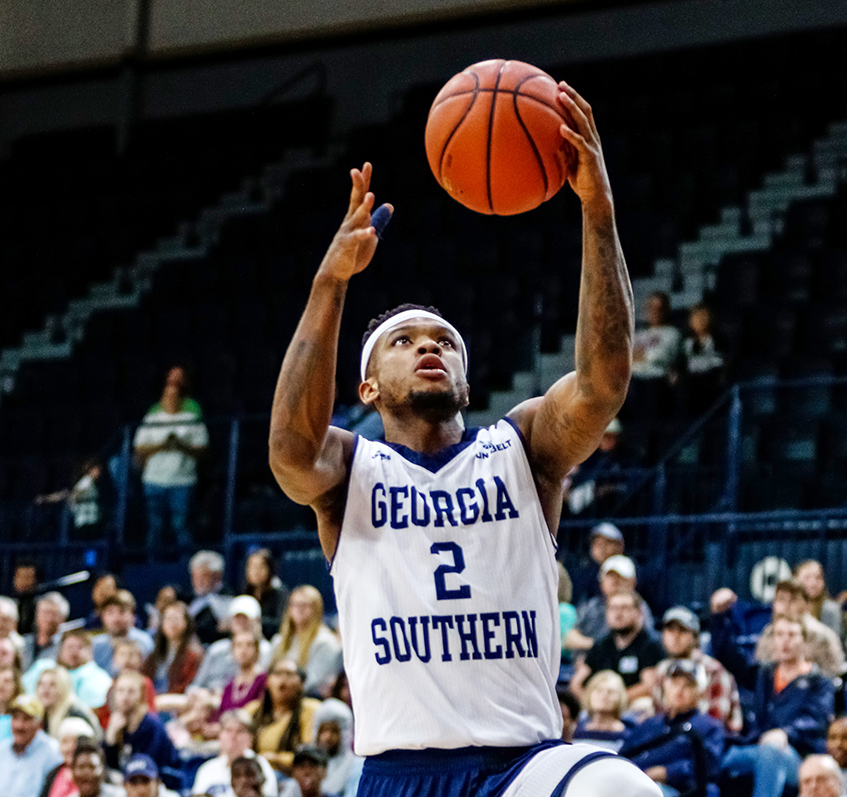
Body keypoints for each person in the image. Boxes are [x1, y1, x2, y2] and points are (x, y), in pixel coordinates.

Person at [268, 84, 658, 796]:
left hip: (522, 765)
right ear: (368, 387)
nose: (430, 347)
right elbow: (289, 451)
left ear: (467, 384)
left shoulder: (524, 448)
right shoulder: (350, 470)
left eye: (445, 341)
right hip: (400, 772)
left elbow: (602, 383)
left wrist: (597, 210)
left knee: (619, 788)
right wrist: (330, 282)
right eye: (404, 341)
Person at [720, 615, 834, 797]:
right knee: (718, 758)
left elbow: (816, 720)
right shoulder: (764, 674)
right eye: (779, 635)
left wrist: (785, 733)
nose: (785, 641)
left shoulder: (819, 682)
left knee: (771, 753)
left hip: (798, 755)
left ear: (804, 641)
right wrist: (720, 617)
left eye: (792, 635)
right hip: (757, 747)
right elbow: (729, 658)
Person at [619, 660, 724, 797]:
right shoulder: (649, 724)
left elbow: (708, 768)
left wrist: (667, 772)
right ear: (665, 687)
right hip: (634, 783)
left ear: (700, 692)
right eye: (674, 684)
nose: (679, 691)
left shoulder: (710, 727)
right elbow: (623, 755)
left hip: (677, 790)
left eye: (688, 685)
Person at [133, 366, 209, 550]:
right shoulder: (153, 417)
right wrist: (162, 446)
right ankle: (152, 564)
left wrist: (180, 445)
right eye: (168, 394)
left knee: (181, 525)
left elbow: (202, 447)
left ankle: (186, 564)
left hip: (182, 481)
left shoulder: (191, 414)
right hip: (154, 480)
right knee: (155, 527)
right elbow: (139, 446)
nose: (171, 397)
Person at [646, 607, 741, 733]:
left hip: (710, 740)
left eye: (682, 631)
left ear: (696, 637)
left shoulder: (713, 670)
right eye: (670, 630)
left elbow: (715, 721)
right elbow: (659, 715)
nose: (675, 637)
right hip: (671, 738)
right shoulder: (662, 669)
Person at [571, 592, 665, 700]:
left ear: (638, 612)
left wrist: (614, 701)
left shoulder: (650, 645)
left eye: (624, 608)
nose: (618, 614)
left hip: (631, 706)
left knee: (643, 704)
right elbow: (576, 683)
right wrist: (591, 701)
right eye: (613, 608)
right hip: (601, 702)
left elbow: (649, 687)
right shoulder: (600, 645)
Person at [749, 580, 845, 677]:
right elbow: (761, 670)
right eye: (781, 599)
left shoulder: (822, 636)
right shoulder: (768, 633)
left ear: (807, 604)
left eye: (793, 599)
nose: (787, 605)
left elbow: (832, 674)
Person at [0, 696, 61, 797]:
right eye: (15, 718)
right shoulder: (1, 750)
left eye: (26, 719)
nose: (19, 725)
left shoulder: (52, 752)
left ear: (39, 724)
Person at [245, 659, 318, 775]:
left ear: (301, 683)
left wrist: (276, 759)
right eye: (278, 674)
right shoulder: (252, 710)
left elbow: (309, 754)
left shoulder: (310, 710)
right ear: (267, 681)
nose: (282, 680)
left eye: (289, 674)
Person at [570, 555, 655, 652]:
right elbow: (570, 638)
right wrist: (597, 647)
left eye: (620, 577)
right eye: (610, 577)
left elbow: (648, 642)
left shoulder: (639, 607)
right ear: (601, 583)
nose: (615, 582)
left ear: (632, 582)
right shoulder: (592, 606)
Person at [268, 587, 341, 699]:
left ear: (316, 609)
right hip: (278, 698)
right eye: (295, 605)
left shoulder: (325, 643)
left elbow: (313, 683)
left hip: (309, 699)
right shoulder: (279, 641)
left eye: (305, 605)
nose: (299, 609)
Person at [191, 598, 272, 694]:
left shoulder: (265, 649)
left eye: (245, 618)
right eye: (237, 618)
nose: (241, 622)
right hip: (208, 700)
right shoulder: (216, 649)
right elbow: (195, 686)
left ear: (256, 621)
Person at [191, 709, 279, 797]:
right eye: (228, 730)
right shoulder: (208, 769)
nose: (233, 736)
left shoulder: (260, 765)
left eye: (240, 731)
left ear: (250, 738)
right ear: (220, 735)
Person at [102, 671, 175, 775]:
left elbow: (150, 766)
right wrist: (110, 738)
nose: (125, 696)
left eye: (131, 691)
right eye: (120, 691)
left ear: (141, 694)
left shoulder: (151, 726)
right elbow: (110, 767)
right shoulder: (116, 724)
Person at [24, 630, 113, 710]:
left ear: (90, 652)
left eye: (80, 647)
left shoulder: (99, 677)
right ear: (60, 650)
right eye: (70, 647)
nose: (74, 652)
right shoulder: (43, 667)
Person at [35, 459, 103, 540]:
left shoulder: (92, 483)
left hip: (91, 522)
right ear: (91, 470)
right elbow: (73, 494)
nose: (99, 472)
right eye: (98, 469)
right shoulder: (86, 481)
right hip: (86, 523)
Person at [144, 602, 201, 696]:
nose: (172, 624)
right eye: (168, 619)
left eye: (176, 619)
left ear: (186, 623)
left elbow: (189, 684)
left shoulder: (193, 654)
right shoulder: (153, 654)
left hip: (176, 702)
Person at [92, 592, 154, 673]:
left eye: (122, 611)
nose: (116, 618)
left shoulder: (144, 641)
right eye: (110, 612)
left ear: (132, 614)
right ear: (103, 617)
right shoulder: (96, 645)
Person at [681, 303, 725, 414]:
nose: (700, 321)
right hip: (691, 380)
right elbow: (681, 362)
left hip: (710, 377)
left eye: (703, 316)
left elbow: (721, 360)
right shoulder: (686, 342)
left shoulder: (719, 340)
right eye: (696, 317)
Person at [35, 667, 100, 741]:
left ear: (63, 688)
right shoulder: (41, 718)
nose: (45, 690)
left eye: (52, 685)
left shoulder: (74, 718)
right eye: (41, 684)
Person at [573, 672, 629, 752]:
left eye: (610, 692)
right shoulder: (575, 729)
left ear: (620, 697)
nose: (604, 695)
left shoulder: (628, 734)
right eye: (599, 690)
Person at [39, 721, 97, 797]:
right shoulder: (53, 774)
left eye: (75, 741)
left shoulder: (96, 775)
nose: (70, 747)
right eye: (65, 742)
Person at [187, 552, 233, 647]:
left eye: (203, 576)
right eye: (194, 576)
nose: (197, 581)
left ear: (217, 576)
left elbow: (211, 629)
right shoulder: (191, 599)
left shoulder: (228, 598)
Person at [311, 704, 356, 797]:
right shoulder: (308, 764)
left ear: (345, 734)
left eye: (333, 731)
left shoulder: (356, 766)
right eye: (323, 731)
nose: (327, 737)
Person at [217, 631, 266, 716]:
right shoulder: (229, 685)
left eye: (249, 645)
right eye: (239, 645)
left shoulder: (263, 680)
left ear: (257, 650)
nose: (244, 650)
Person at [241, 550, 287, 640]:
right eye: (251, 567)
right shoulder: (244, 594)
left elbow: (282, 623)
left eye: (260, 567)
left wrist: (256, 622)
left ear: (270, 570)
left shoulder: (280, 594)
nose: (255, 571)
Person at [793, 561, 843, 640]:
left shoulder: (830, 609)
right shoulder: (789, 607)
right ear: (795, 580)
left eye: (818, 578)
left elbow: (833, 642)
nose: (813, 583)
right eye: (807, 578)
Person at [25, 593, 69, 666]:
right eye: (45, 613)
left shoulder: (65, 645)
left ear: (63, 619)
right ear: (37, 615)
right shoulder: (23, 643)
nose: (48, 619)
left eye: (53, 614)